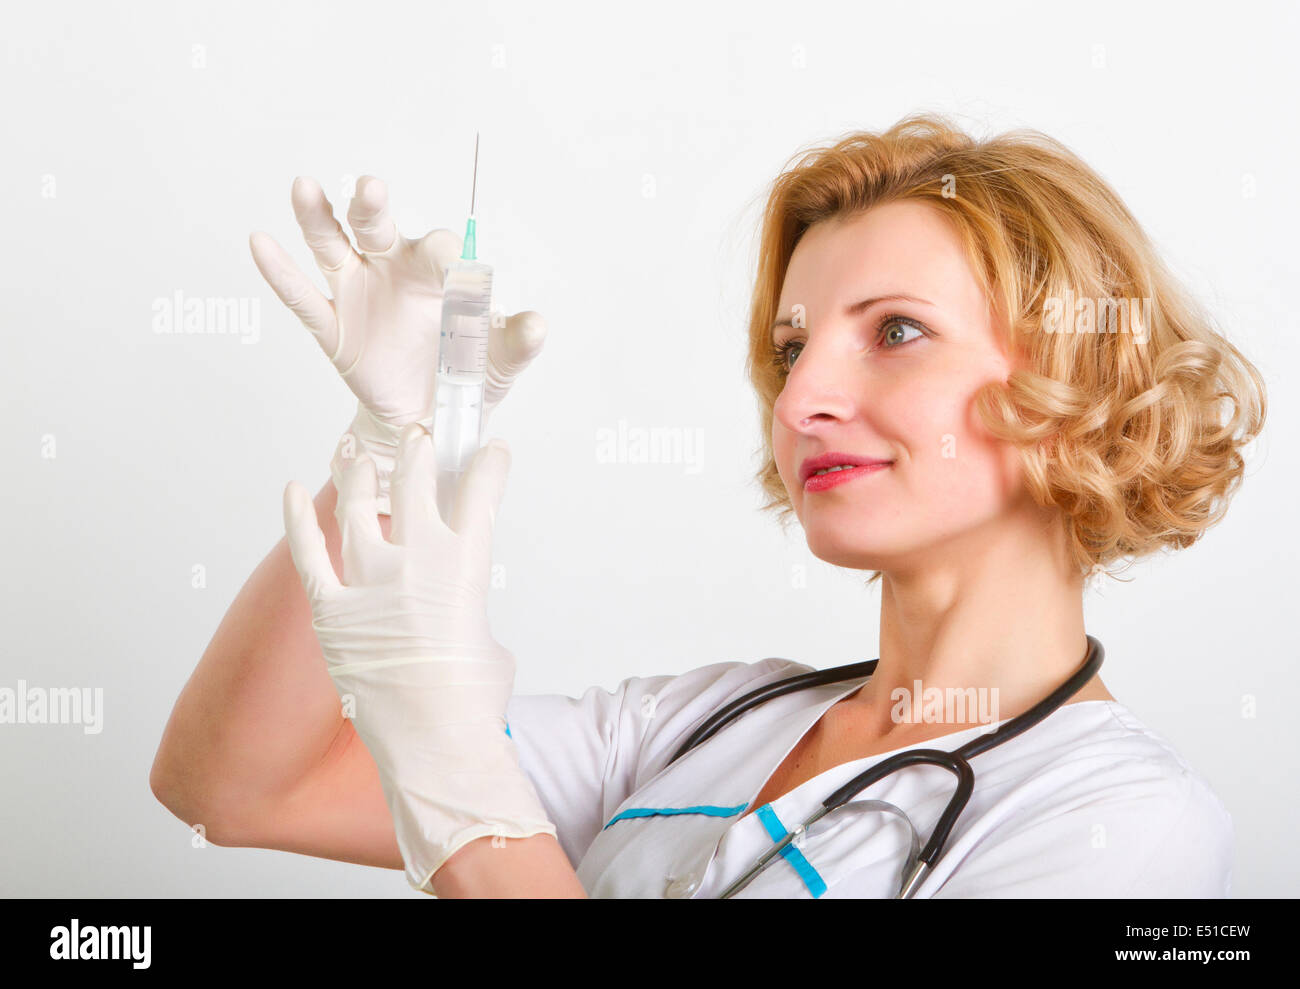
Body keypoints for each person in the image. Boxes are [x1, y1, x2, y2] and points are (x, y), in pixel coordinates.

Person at [149, 113, 1266, 897]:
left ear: (1074, 382)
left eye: (894, 330)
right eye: (791, 348)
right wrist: (397, 445)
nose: (805, 396)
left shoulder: (1123, 830)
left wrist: (461, 788)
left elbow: (438, 788)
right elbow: (235, 787)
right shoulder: (701, 729)